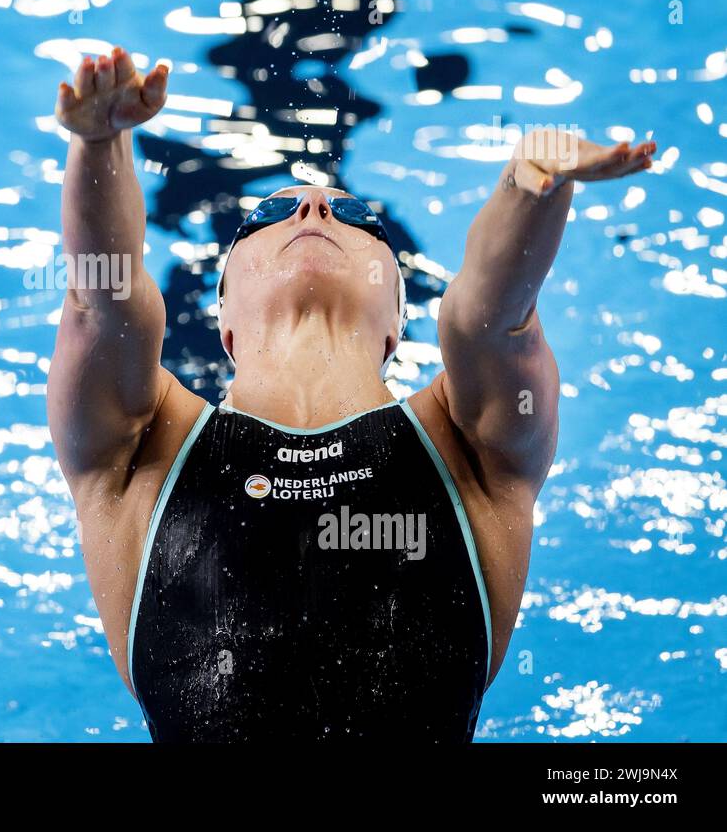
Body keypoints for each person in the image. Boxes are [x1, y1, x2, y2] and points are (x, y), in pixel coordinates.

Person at [46, 46, 656, 742]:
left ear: (397, 318)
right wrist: (98, 145)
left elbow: (494, 319)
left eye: (359, 216)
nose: (311, 205)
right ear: (224, 317)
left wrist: (529, 183)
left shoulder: (467, 447)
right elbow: (104, 300)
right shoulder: (143, 448)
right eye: (271, 211)